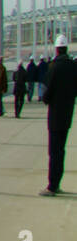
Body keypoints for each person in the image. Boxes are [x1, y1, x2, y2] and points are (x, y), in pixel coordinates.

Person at [40, 34, 76, 196]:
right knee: (61, 150)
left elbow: (49, 89)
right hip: (67, 114)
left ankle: (52, 186)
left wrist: (46, 99)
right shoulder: (73, 66)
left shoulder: (54, 66)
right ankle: (57, 183)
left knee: (54, 152)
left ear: (56, 49)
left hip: (55, 115)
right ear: (66, 48)